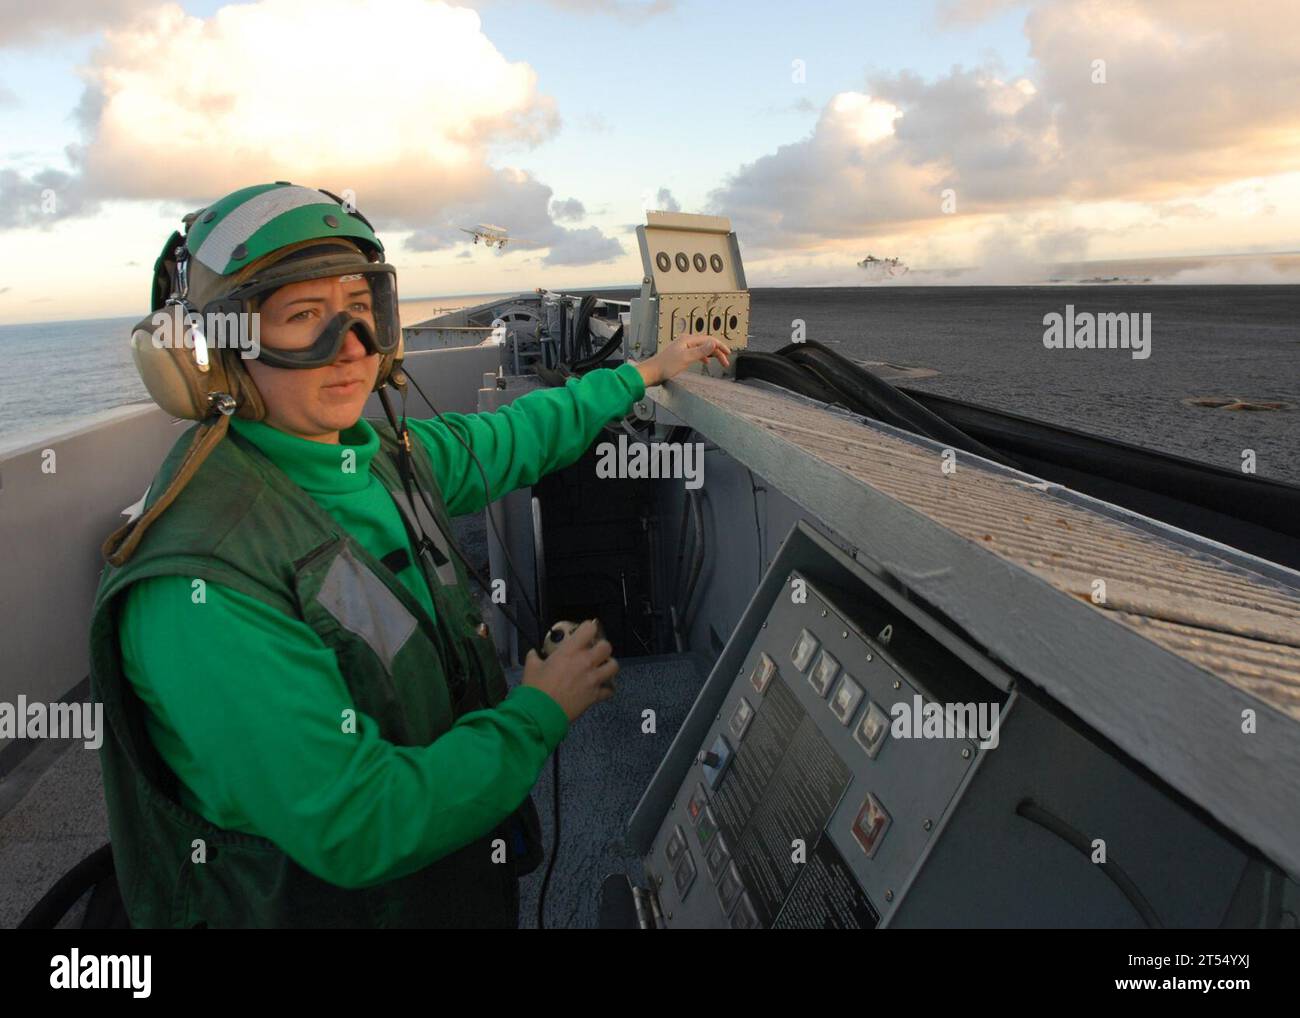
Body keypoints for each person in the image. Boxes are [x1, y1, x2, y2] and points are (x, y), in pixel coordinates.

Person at [88, 182, 730, 928]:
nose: (352, 348)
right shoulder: (203, 582)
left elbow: (516, 435)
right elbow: (358, 822)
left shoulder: (372, 459)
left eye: (362, 312)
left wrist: (641, 373)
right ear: (211, 355)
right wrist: (538, 712)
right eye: (303, 318)